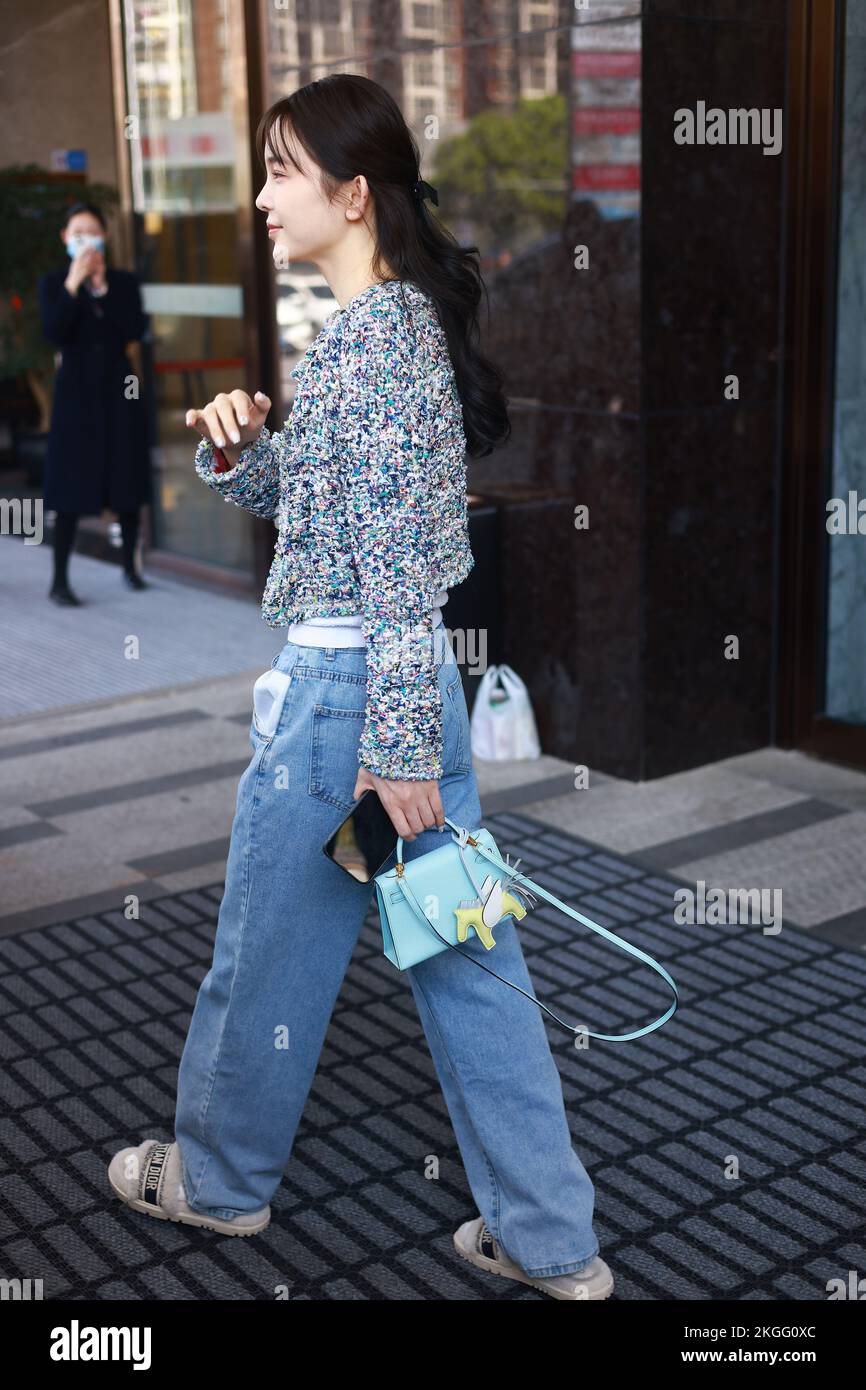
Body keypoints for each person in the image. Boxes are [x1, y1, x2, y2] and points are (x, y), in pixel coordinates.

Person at [107, 74, 613, 1301]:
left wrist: (384, 754)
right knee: (471, 968)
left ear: (353, 192)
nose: (261, 196)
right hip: (400, 703)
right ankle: (551, 1239)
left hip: (350, 711)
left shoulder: (373, 348)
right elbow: (328, 521)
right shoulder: (385, 335)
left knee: (260, 961)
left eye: (282, 171)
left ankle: (216, 1181)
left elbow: (391, 583)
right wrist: (240, 454)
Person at [37, 201, 151, 605]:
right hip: (75, 397)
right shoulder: (54, 283)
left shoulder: (122, 282)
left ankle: (130, 568)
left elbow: (134, 328)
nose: (86, 240)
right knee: (69, 486)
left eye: (92, 232)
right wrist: (75, 283)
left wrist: (102, 286)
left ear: (104, 237)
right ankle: (60, 580)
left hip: (119, 393)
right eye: (78, 233)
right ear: (66, 239)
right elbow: (54, 331)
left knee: (125, 478)